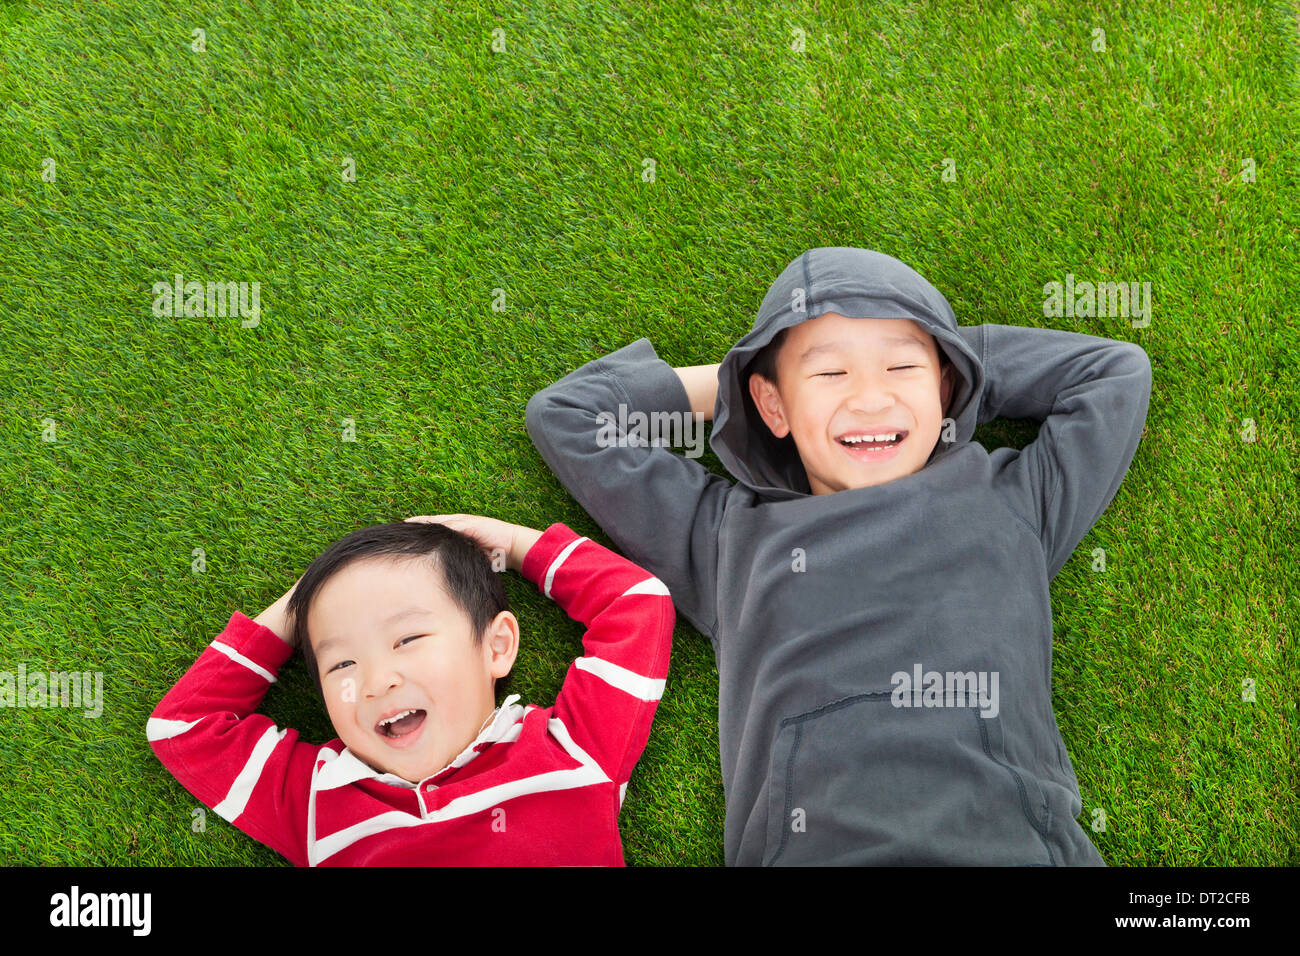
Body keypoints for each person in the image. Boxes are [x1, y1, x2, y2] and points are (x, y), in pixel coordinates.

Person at [525, 247, 1152, 865]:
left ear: (947, 383)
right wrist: (740, 386)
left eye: (901, 369)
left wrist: (952, 367)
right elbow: (569, 416)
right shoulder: (727, 538)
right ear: (772, 406)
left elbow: (1113, 375)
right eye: (829, 375)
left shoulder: (1010, 502)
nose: (870, 399)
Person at [147, 514, 673, 865]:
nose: (377, 681)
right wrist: (298, 606)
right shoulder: (318, 800)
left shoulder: (569, 749)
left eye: (408, 638)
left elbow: (636, 604)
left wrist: (512, 543)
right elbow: (184, 729)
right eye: (343, 662)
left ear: (496, 647)